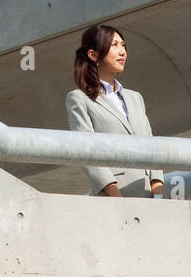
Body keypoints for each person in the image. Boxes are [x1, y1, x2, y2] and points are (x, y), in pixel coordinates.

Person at [65, 23, 165, 199]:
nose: (123, 52)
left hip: (149, 198)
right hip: (113, 199)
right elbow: (87, 152)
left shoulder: (135, 98)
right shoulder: (79, 99)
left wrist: (157, 191)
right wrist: (117, 198)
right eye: (114, 45)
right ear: (93, 55)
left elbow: (152, 145)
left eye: (123, 45)